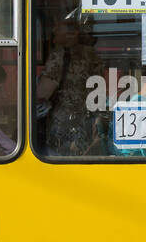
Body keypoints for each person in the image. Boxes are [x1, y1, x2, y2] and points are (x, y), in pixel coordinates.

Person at [36, 14, 104, 156]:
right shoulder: (92, 54)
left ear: (72, 34)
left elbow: (42, 94)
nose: (53, 29)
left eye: (58, 26)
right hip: (88, 121)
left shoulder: (59, 55)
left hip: (64, 124)